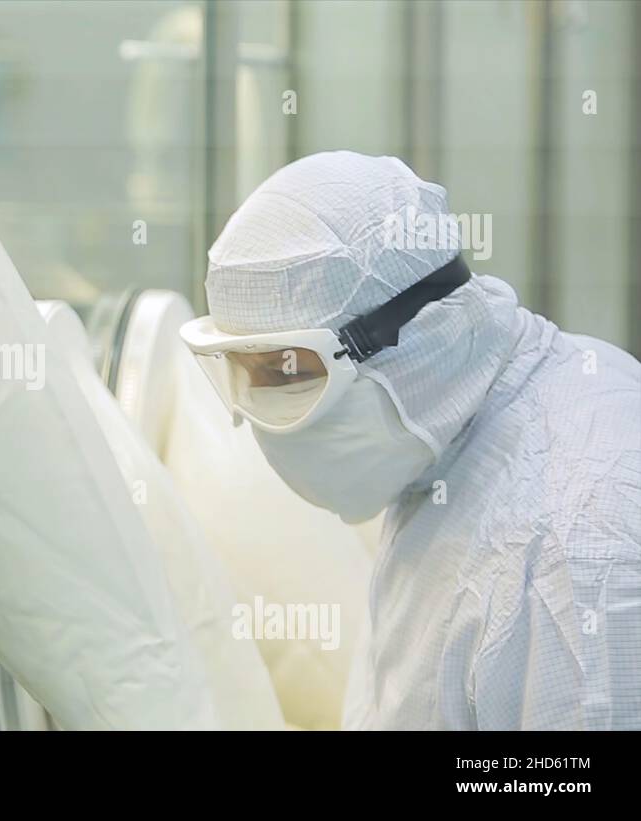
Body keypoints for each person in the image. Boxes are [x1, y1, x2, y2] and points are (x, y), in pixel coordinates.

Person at [180, 151, 641, 729]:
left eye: (288, 372)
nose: (254, 419)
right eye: (240, 371)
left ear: (412, 336)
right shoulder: (447, 446)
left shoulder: (573, 550)